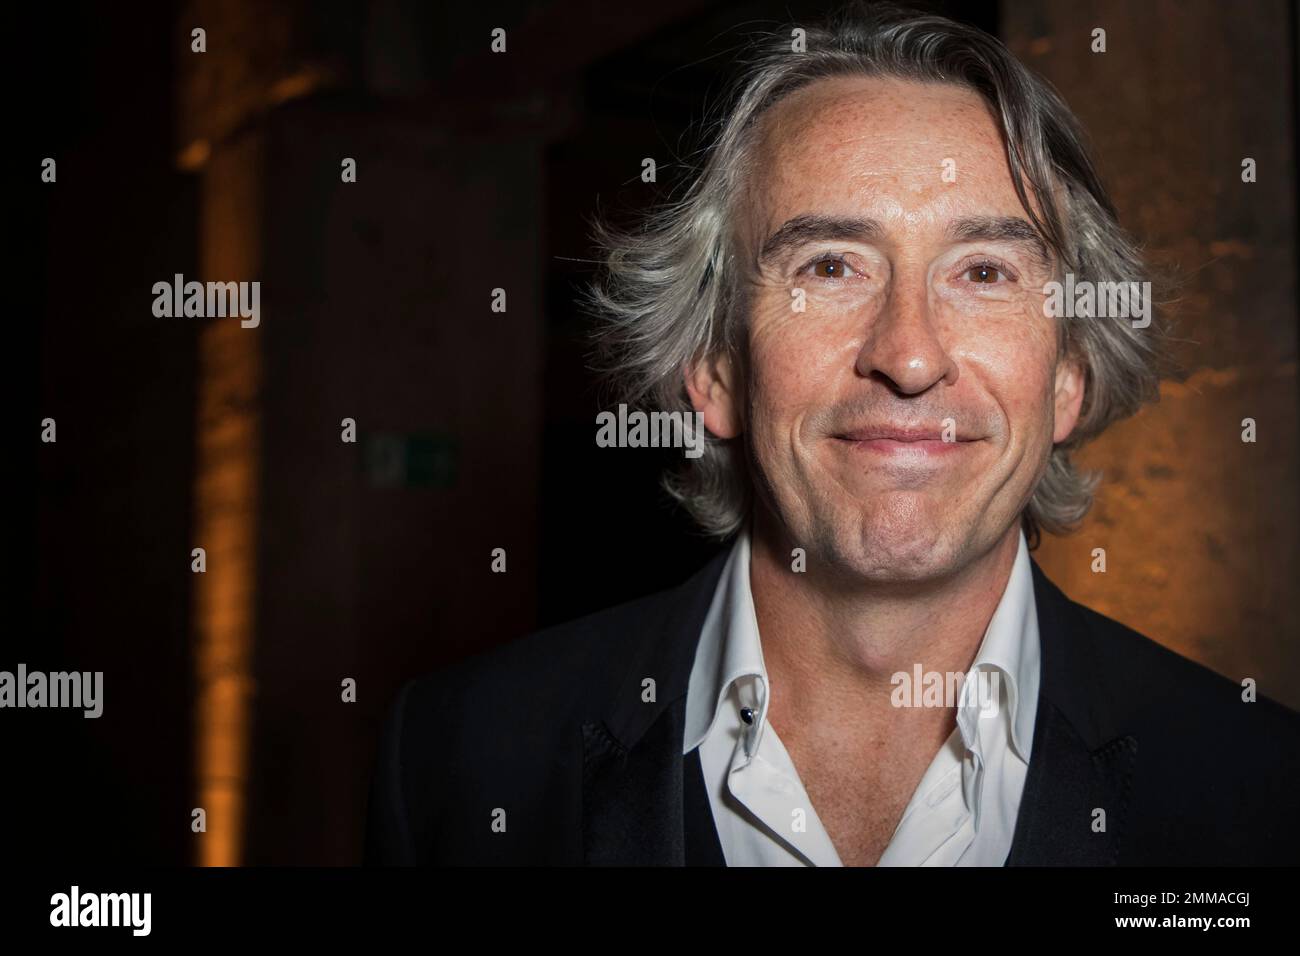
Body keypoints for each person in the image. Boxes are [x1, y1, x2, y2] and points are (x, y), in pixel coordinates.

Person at [364, 2, 1300, 866]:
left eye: (984, 272)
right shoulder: (461, 763)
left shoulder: (1261, 792)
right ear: (715, 367)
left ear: (1068, 380)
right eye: (830, 266)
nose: (909, 355)